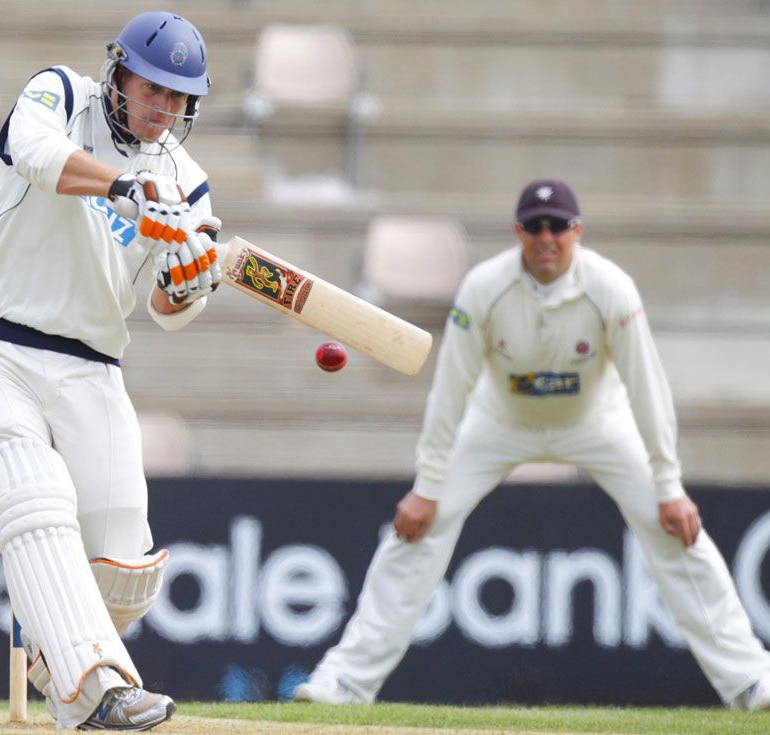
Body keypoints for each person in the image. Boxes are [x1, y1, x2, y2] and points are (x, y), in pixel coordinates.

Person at [295, 179, 770, 711]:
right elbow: (450, 390)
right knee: (416, 529)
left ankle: (751, 680)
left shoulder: (611, 289)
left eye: (559, 226)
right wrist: (427, 487)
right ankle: (346, 682)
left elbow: (648, 390)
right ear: (518, 231)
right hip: (499, 420)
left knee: (676, 530)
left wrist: (668, 485)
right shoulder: (483, 288)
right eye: (536, 226)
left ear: (578, 231)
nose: (547, 238)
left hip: (596, 421)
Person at [0, 11, 221, 730]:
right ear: (116, 72)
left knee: (126, 572)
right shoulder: (59, 94)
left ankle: (61, 669)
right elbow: (30, 151)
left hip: (92, 370)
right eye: (150, 87)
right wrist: (123, 186)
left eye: (177, 98)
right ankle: (101, 693)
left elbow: (166, 305)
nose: (161, 108)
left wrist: (187, 283)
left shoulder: (187, 181)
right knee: (33, 491)